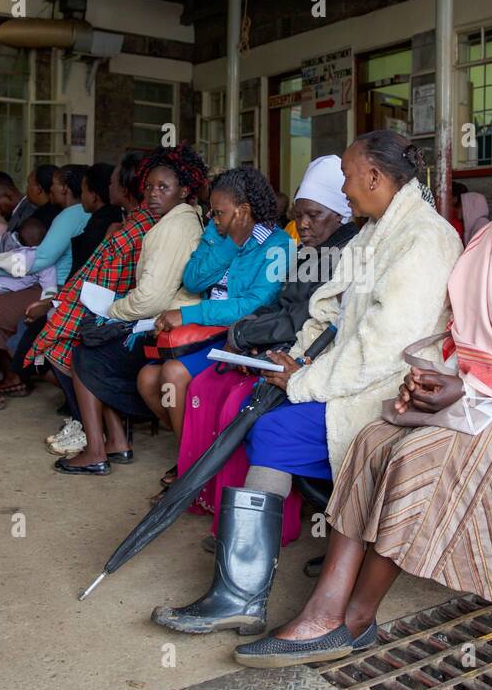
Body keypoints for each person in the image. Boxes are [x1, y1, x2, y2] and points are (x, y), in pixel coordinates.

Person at [224, 118, 492, 665]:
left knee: (418, 458)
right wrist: (442, 379)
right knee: (374, 438)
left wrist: (471, 389)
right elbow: (468, 326)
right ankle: (325, 612)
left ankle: (353, 618)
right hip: (487, 390)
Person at [151, 129, 461, 640]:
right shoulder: (378, 230)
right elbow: (326, 310)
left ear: (375, 177)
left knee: (272, 431)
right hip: (355, 375)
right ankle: (241, 592)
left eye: (347, 177)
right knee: (264, 420)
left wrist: (304, 381)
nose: (346, 188)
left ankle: (239, 595)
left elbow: (384, 347)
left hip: (392, 389)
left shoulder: (423, 238)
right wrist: (294, 360)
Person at [166, 154, 360, 551]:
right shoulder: (312, 251)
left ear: (340, 214)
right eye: (299, 215)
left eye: (314, 215)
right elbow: (280, 306)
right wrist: (246, 332)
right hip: (274, 348)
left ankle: (258, 528)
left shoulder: (343, 254)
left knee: (240, 404)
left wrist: (243, 331)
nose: (303, 225)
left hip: (305, 362)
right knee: (207, 386)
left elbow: (305, 321)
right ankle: (217, 506)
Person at [57, 145, 207, 474]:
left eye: (163, 188)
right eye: (150, 187)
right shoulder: (181, 220)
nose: (153, 194)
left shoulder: (173, 228)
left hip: (165, 327)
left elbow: (151, 300)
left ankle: (97, 450)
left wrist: (112, 309)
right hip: (164, 322)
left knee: (85, 351)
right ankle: (116, 443)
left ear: (184, 190)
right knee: (94, 344)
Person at [137, 167, 291, 452]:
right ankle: (194, 454)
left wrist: (188, 314)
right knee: (147, 380)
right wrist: (231, 242)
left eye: (218, 212)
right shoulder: (217, 231)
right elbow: (194, 279)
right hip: (205, 332)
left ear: (243, 211)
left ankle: (190, 468)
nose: (211, 217)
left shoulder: (278, 245)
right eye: (211, 211)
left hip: (238, 336)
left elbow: (256, 304)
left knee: (172, 373)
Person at [33, 150, 153, 456]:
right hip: (117, 309)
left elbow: (101, 282)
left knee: (62, 342)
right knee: (66, 332)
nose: (107, 187)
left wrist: (59, 307)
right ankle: (111, 437)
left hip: (126, 316)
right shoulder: (127, 222)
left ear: (125, 188)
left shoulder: (128, 230)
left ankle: (92, 433)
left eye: (112, 182)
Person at [0, 165, 89, 409]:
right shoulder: (83, 214)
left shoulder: (67, 215)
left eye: (55, 185)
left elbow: (42, 259)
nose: (49, 190)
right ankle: (14, 378)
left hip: (53, 287)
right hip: (63, 286)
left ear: (65, 188)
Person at [71, 163, 124, 275]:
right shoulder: (119, 215)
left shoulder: (97, 228)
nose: (81, 196)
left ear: (94, 195)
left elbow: (84, 271)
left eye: (83, 191)